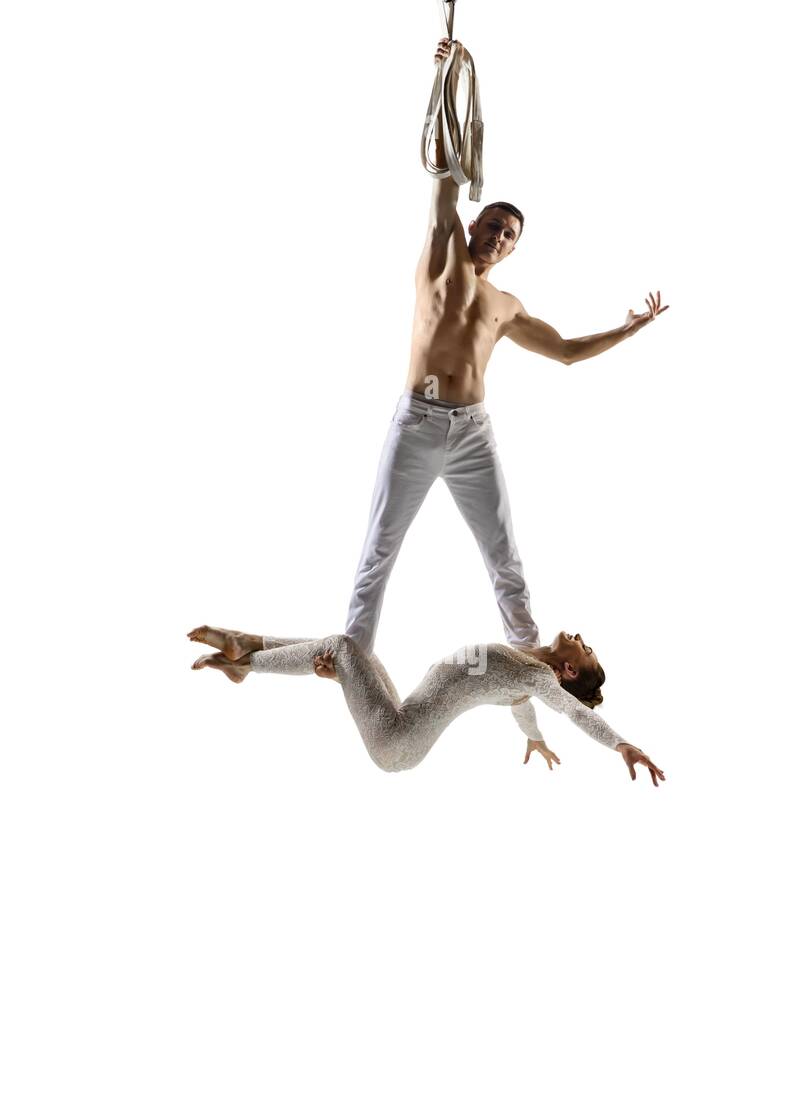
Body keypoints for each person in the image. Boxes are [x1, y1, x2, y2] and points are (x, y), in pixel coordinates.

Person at [344, 35, 668, 656]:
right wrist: (442, 81)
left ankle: (536, 665)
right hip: (416, 425)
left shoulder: (507, 306)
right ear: (472, 225)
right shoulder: (443, 255)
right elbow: (440, 167)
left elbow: (568, 351)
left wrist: (627, 330)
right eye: (492, 224)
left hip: (471, 434)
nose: (497, 235)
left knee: (506, 559)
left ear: (514, 247)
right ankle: (354, 657)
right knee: (379, 549)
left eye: (508, 234)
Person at [187, 625, 665, 782]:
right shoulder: (529, 665)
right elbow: (522, 707)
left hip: (398, 742)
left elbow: (575, 712)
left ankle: (245, 659)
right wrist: (535, 740)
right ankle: (247, 652)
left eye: (585, 648)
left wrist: (622, 745)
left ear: (570, 671)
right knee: (356, 654)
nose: (580, 638)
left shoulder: (540, 676)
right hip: (400, 719)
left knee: (347, 647)